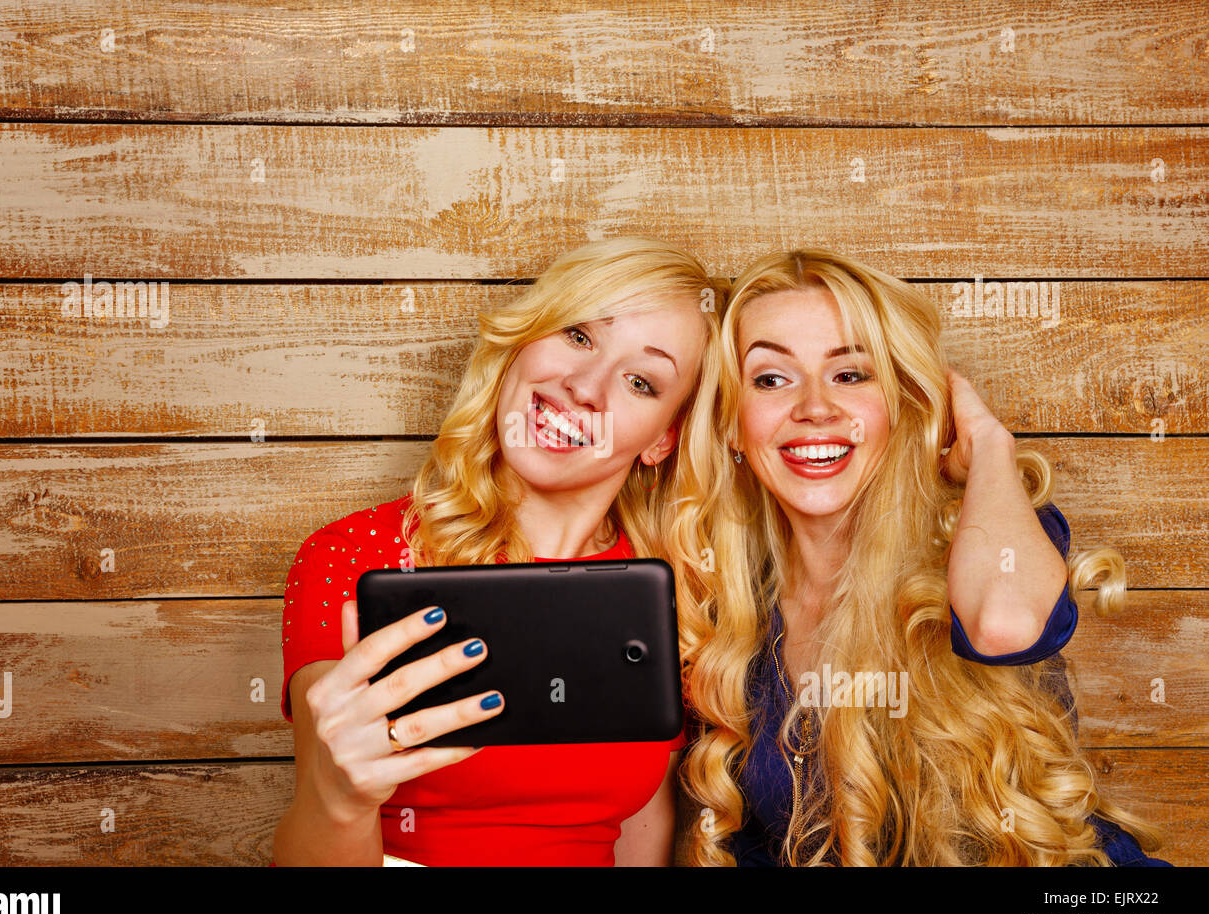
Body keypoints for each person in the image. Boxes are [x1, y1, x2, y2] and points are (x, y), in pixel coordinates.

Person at [678, 248, 1170, 866]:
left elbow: (1005, 623)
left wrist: (990, 444)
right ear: (731, 424)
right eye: (771, 379)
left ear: (905, 403)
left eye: (852, 374)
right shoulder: (732, 629)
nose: (814, 407)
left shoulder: (983, 543)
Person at [272, 236, 729, 865]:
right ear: (523, 342)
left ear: (664, 438)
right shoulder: (357, 554)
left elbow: (639, 833)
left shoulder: (667, 599)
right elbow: (312, 833)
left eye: (640, 381)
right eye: (577, 336)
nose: (585, 387)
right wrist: (338, 798)